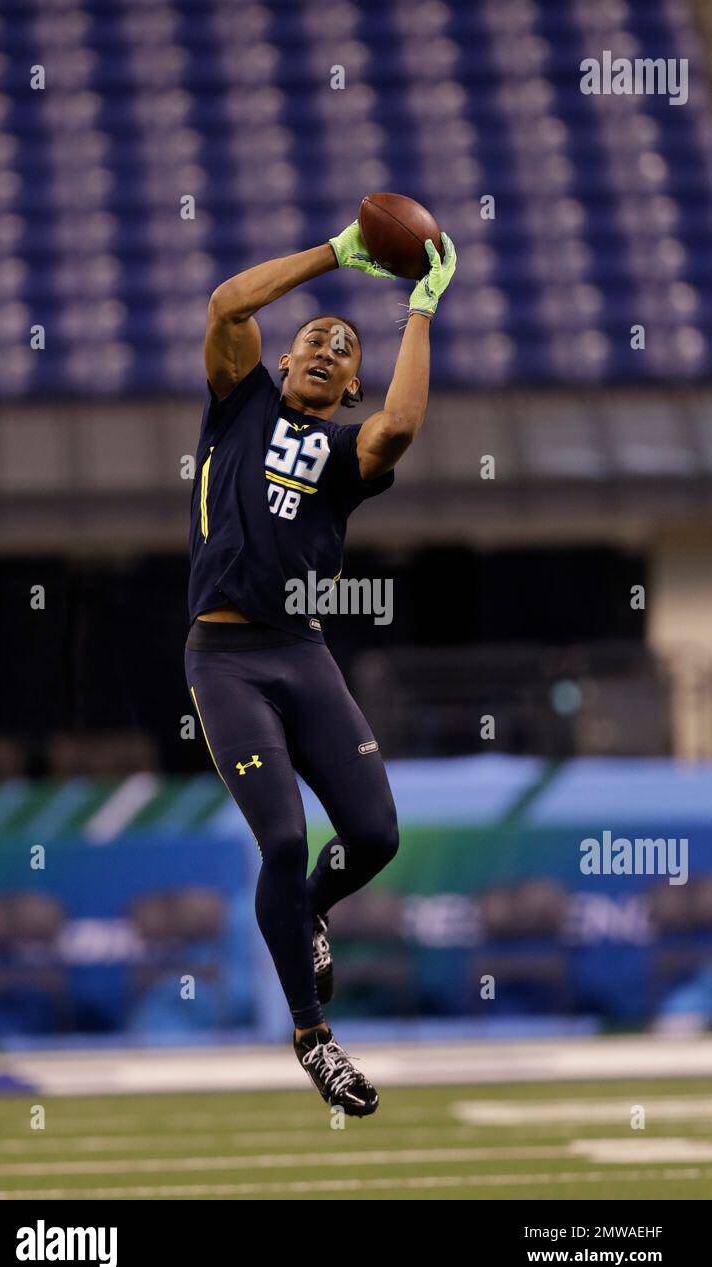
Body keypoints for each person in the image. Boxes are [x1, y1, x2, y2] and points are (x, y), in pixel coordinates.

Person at [185, 217, 456, 1115]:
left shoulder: (345, 454)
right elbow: (229, 303)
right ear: (288, 355)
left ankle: (311, 913)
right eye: (314, 336)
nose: (327, 345)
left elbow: (404, 423)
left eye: (344, 350)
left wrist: (419, 309)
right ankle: (313, 1038)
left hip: (301, 653)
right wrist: (336, 254)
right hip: (225, 660)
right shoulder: (240, 401)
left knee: (375, 834)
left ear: (347, 388)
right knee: (286, 837)